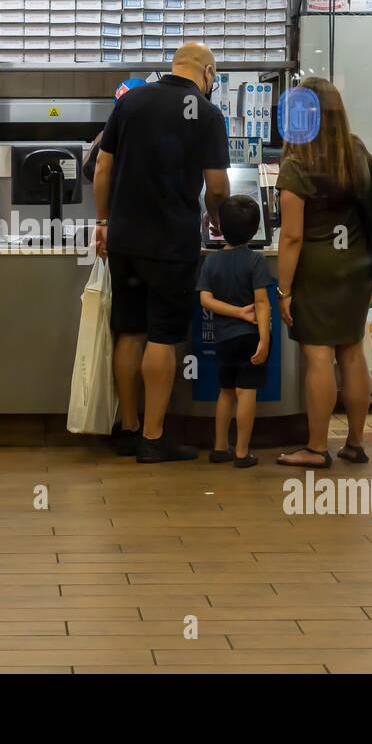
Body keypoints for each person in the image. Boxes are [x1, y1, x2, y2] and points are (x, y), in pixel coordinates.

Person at [93, 43, 230, 463]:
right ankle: (155, 438)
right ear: (207, 73)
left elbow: (102, 166)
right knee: (163, 336)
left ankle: (129, 428)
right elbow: (218, 184)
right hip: (172, 241)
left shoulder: (131, 102)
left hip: (126, 239)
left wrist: (103, 221)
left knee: (129, 330)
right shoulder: (207, 114)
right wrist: (215, 218)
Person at [273, 77, 372, 468]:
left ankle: (316, 448)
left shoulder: (298, 160)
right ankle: (356, 442)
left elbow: (293, 236)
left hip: (317, 267)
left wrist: (284, 290)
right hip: (355, 263)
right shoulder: (356, 149)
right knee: (352, 351)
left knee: (318, 356)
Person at [197, 195, 272, 468]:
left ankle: (219, 447)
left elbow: (205, 300)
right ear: (255, 230)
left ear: (219, 227)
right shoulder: (255, 261)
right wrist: (263, 337)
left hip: (223, 338)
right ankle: (242, 451)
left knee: (226, 391)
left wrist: (233, 312)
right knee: (246, 391)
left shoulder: (212, 262)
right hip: (251, 337)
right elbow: (262, 303)